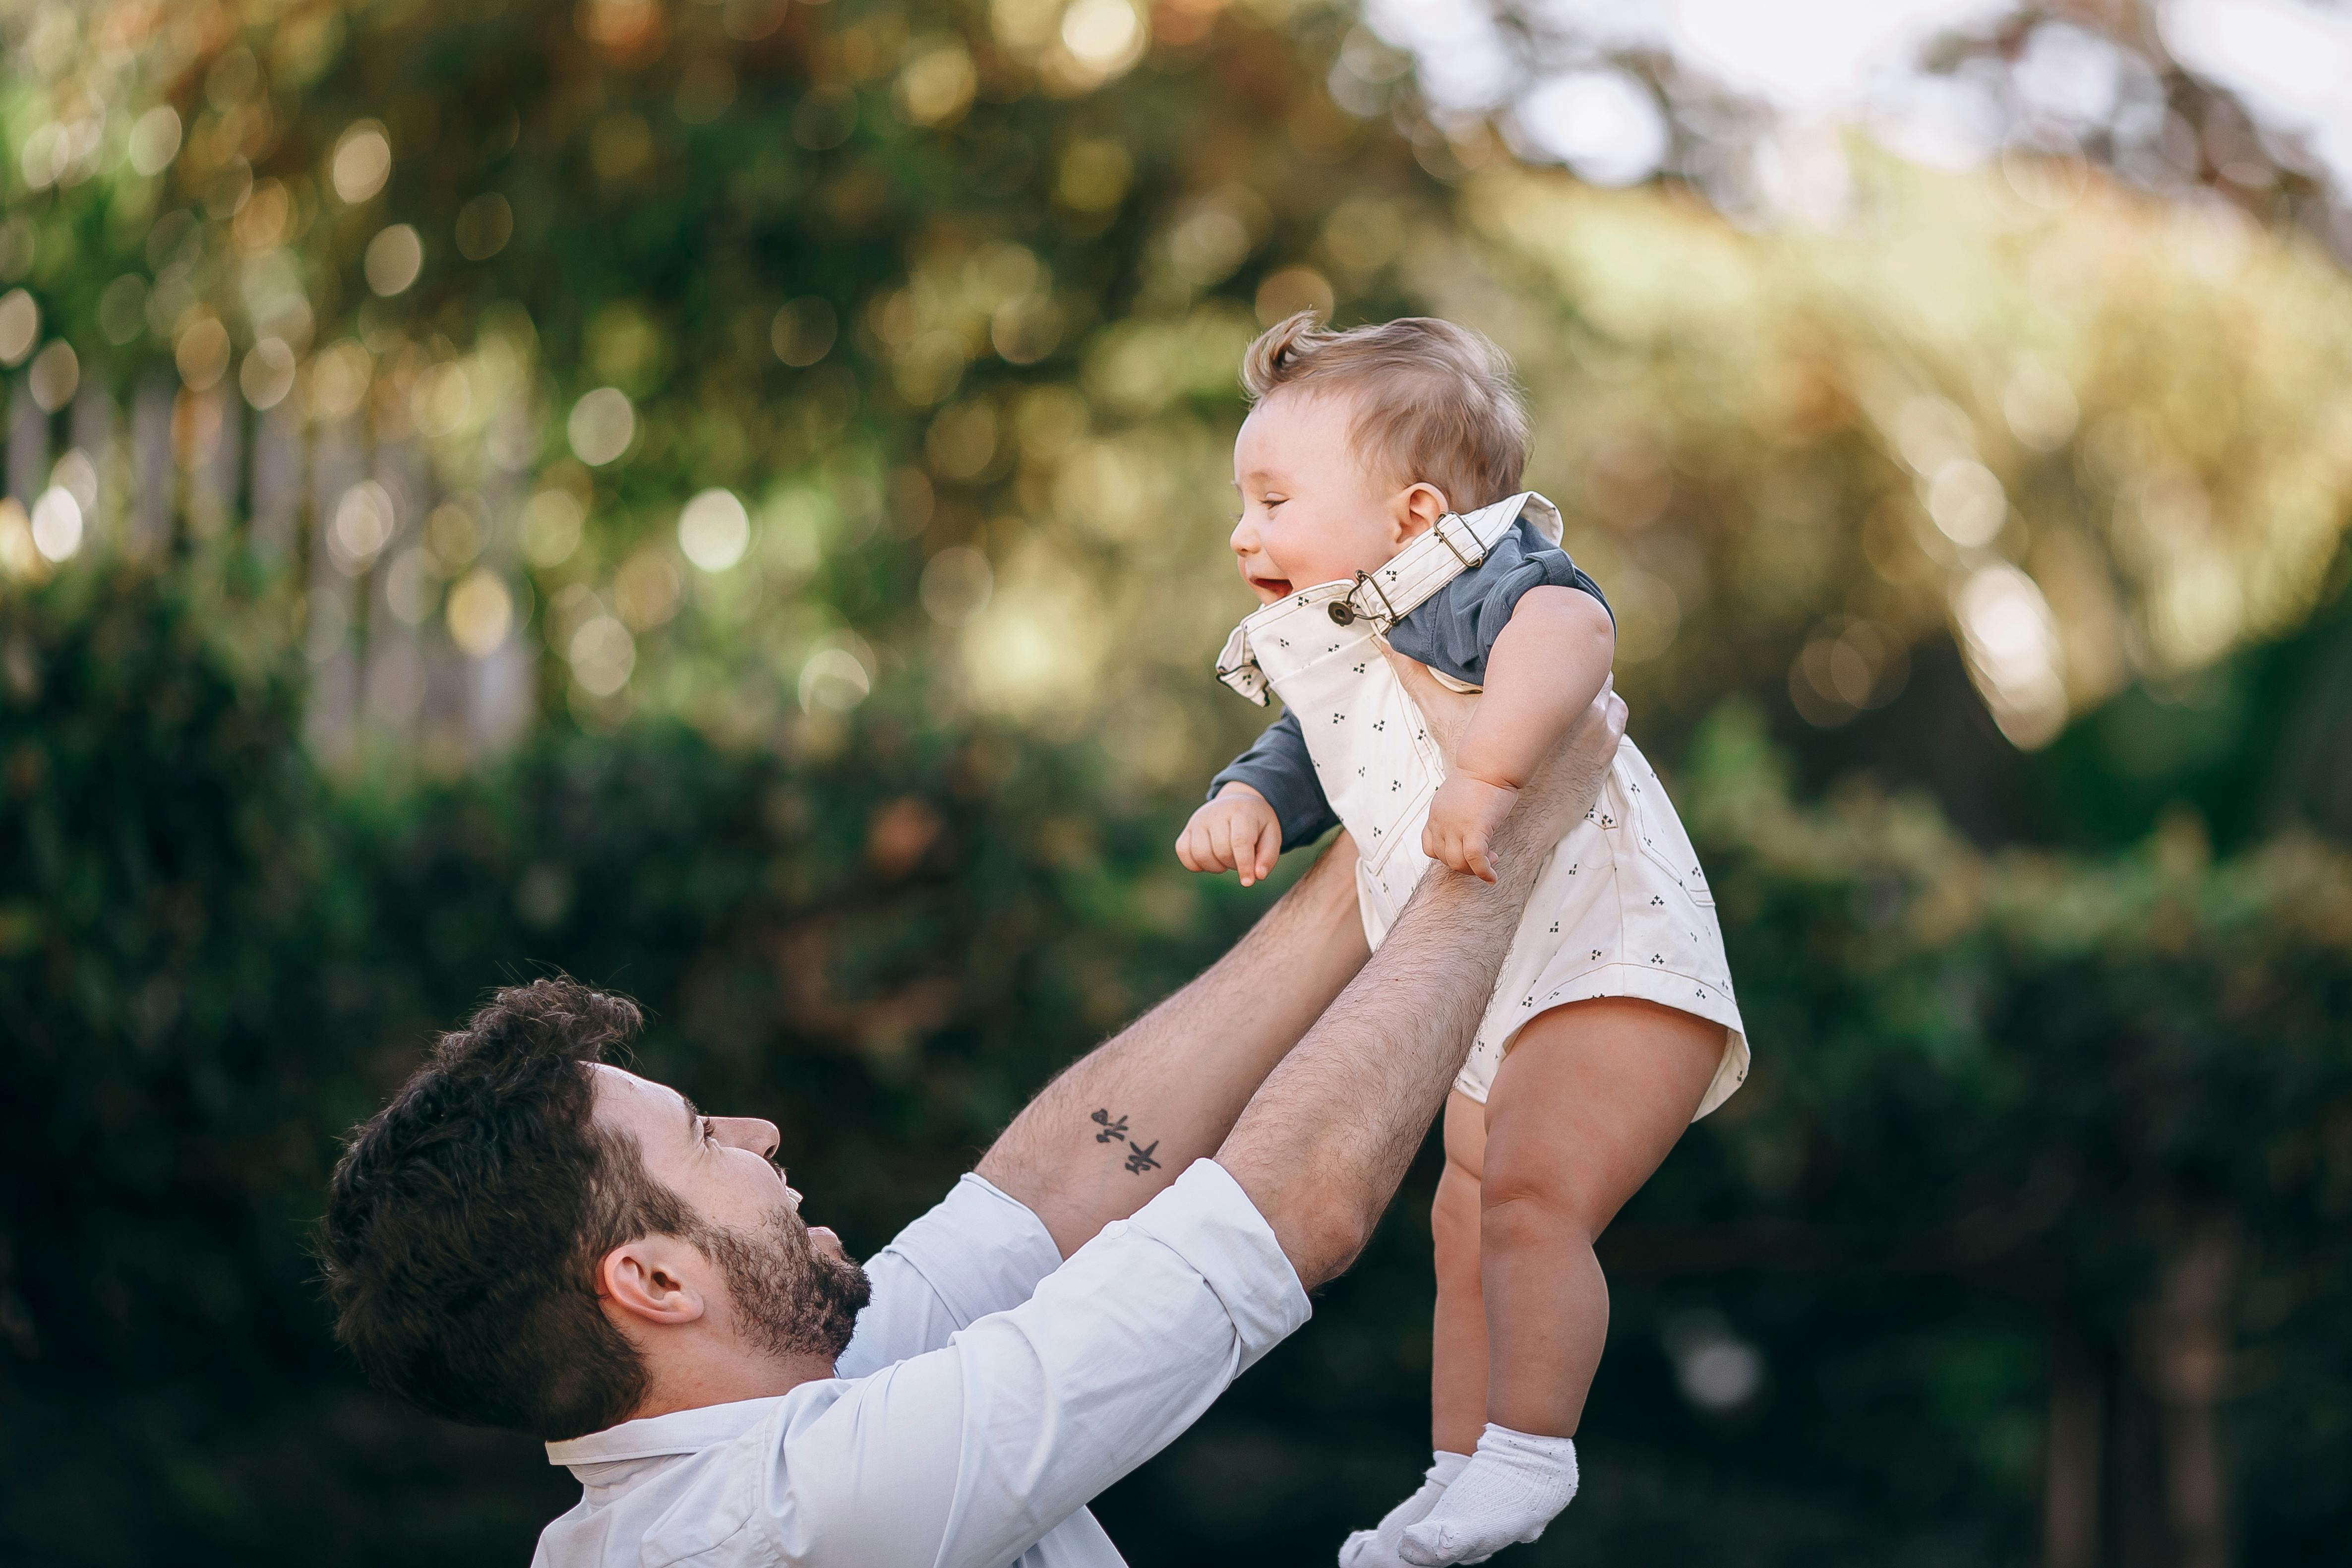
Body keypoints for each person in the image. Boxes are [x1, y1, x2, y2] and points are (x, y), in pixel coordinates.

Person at [318, 656, 1626, 1568]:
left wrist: (1393, 837)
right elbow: (1294, 1215)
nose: (762, 1135)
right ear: (652, 1276)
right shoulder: (785, 1528)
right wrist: (1509, 827)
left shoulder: (759, 1429)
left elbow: (1045, 1194)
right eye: (708, 1140)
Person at [1175, 314, 1749, 1566]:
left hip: (1610, 953)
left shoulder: (1471, 581)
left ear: (1414, 513)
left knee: (1537, 1200)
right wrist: (1248, 800)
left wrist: (1486, 775)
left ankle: (1534, 1454)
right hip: (1500, 984)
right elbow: (1303, 750)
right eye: (1242, 501)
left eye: (1273, 500)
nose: (1243, 532)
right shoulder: (1338, 642)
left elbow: (1572, 634)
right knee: (1463, 1222)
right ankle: (1458, 1470)